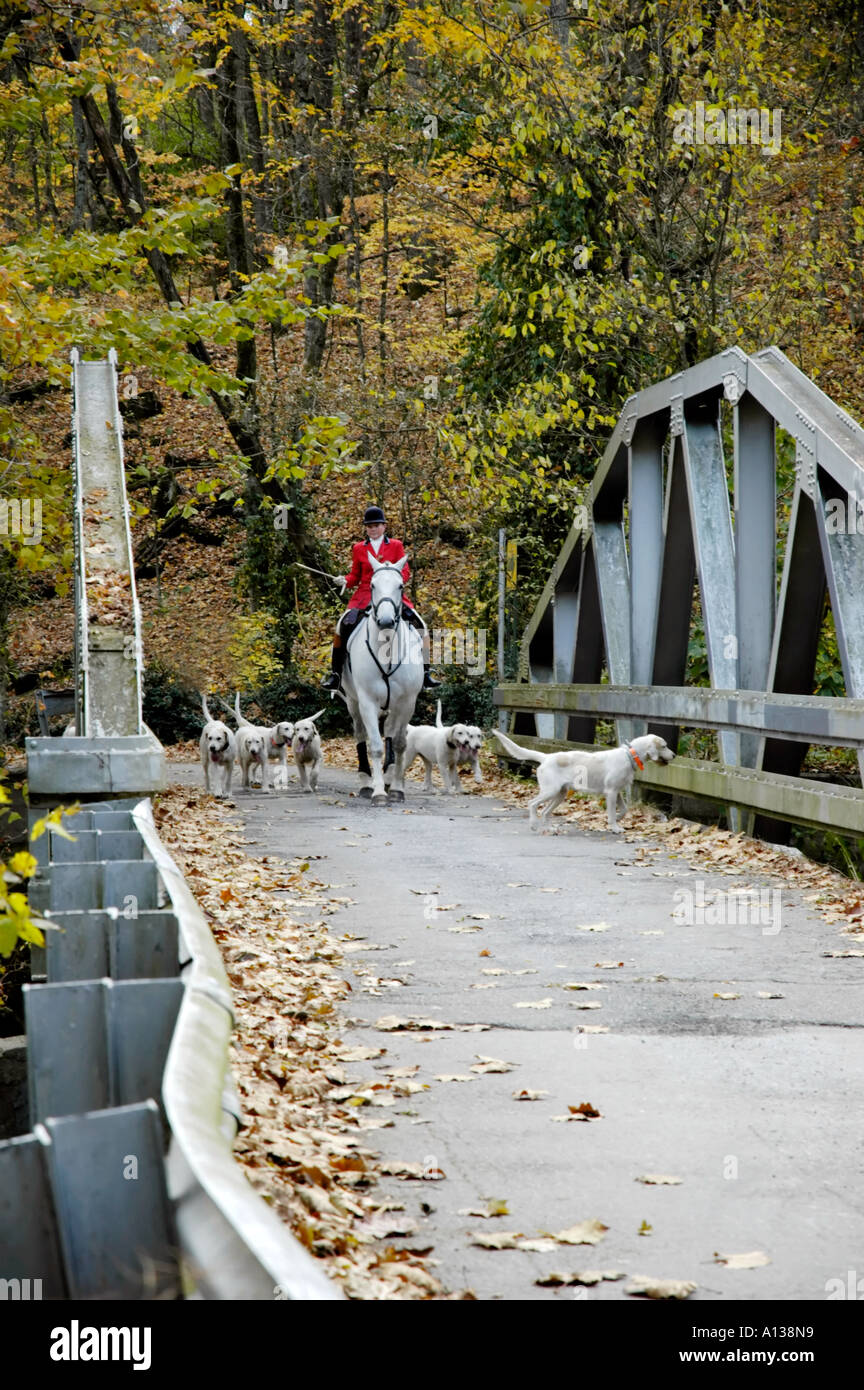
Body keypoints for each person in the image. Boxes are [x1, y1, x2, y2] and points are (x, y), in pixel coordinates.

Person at [320, 505, 440, 690]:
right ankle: (336, 674)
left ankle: (426, 673)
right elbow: (355, 576)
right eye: (369, 526)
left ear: (384, 526)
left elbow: (405, 571)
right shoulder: (359, 548)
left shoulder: (396, 545)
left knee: (421, 626)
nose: (373, 529)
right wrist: (344, 580)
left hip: (391, 594)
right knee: (341, 626)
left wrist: (393, 577)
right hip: (364, 595)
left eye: (376, 525)